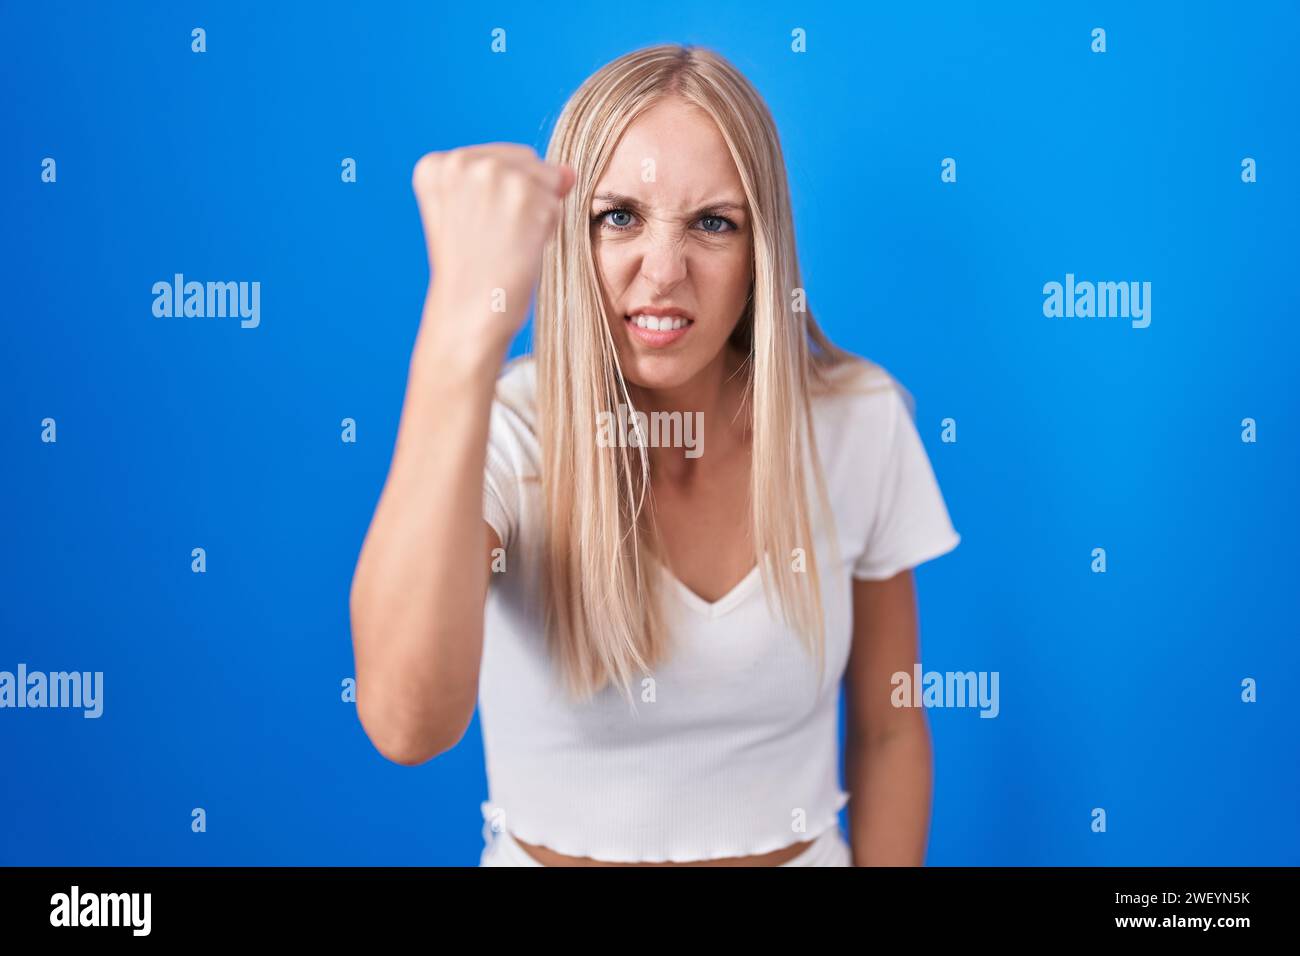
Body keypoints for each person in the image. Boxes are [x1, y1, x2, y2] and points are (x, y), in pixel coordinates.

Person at [349, 43, 960, 867]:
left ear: (761, 253)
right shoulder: (502, 433)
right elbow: (405, 723)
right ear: (568, 238)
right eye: (619, 217)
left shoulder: (859, 422)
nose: (663, 272)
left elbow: (889, 729)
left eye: (713, 223)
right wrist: (461, 332)